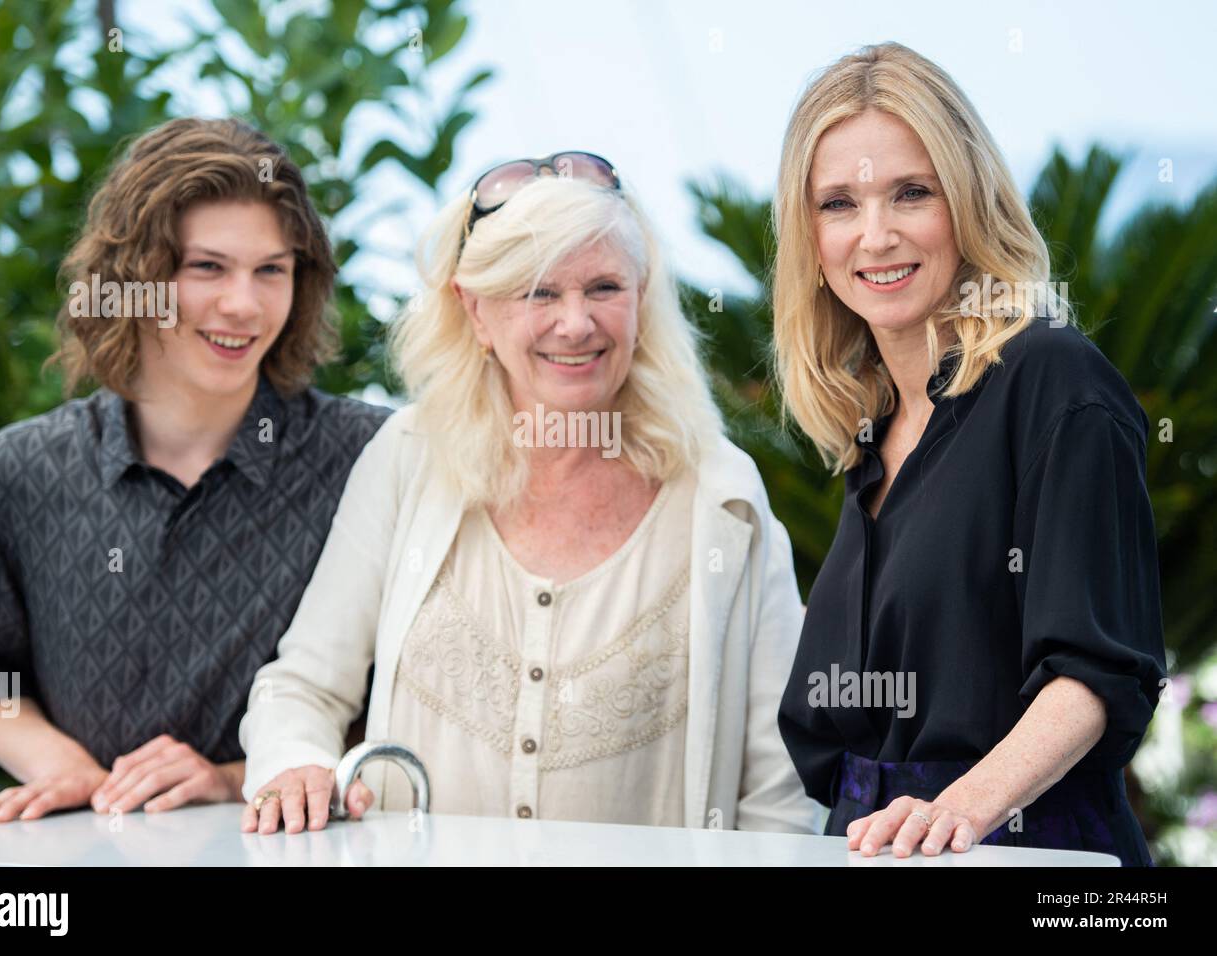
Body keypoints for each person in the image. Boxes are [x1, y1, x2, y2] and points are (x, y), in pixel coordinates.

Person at [239, 153, 821, 836]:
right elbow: (301, 686)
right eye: (539, 292)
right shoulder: (408, 456)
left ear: (641, 297)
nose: (575, 324)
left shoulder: (720, 496)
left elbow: (781, 790)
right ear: (476, 313)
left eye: (603, 287)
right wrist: (295, 764)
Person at [772, 43, 1165, 865]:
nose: (874, 236)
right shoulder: (873, 427)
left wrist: (959, 810)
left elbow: (1096, 670)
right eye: (838, 203)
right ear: (808, 235)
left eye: (911, 193)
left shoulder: (1055, 380)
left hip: (1033, 855)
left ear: (971, 200)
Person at [0, 118, 388, 822]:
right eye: (206, 267)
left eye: (272, 270)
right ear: (134, 278)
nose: (243, 304)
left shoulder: (370, 457)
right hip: (86, 857)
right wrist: (69, 772)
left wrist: (231, 777)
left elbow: (415, 698)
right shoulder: (21, 468)